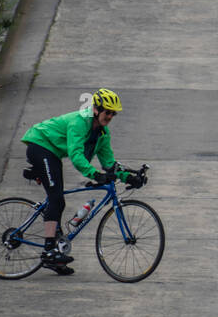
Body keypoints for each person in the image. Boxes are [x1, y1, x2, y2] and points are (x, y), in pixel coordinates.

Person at [20, 88, 144, 274]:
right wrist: (95, 175)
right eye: (107, 112)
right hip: (41, 146)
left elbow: (109, 164)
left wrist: (129, 177)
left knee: (56, 199)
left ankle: (56, 256)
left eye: (113, 113)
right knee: (57, 199)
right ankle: (49, 252)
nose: (110, 116)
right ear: (96, 109)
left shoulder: (103, 134)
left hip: (52, 153)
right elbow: (76, 156)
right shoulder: (79, 123)